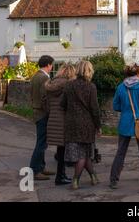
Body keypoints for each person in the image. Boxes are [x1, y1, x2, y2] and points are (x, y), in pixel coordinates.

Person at [110, 64, 139, 193]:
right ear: (138, 73)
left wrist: (126, 110)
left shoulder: (121, 87)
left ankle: (113, 180)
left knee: (120, 152)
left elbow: (115, 106)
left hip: (125, 123)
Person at [61, 61, 101, 190]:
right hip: (86, 124)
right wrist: (98, 126)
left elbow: (62, 104)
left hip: (71, 123)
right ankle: (75, 180)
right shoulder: (91, 87)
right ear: (89, 71)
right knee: (83, 155)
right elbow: (95, 109)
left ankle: (93, 176)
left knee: (83, 154)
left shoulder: (68, 85)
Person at [45, 64, 76, 185]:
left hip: (53, 120)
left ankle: (61, 175)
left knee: (60, 149)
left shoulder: (51, 85)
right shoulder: (68, 86)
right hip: (65, 120)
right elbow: (69, 104)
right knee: (63, 150)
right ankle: (60, 176)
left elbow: (46, 104)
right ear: (70, 73)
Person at [29, 55, 55, 181]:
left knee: (42, 141)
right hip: (42, 113)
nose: (52, 67)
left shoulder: (35, 76)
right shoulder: (44, 77)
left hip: (36, 110)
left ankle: (41, 167)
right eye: (52, 65)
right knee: (41, 143)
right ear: (48, 65)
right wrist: (50, 111)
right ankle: (35, 170)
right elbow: (45, 97)